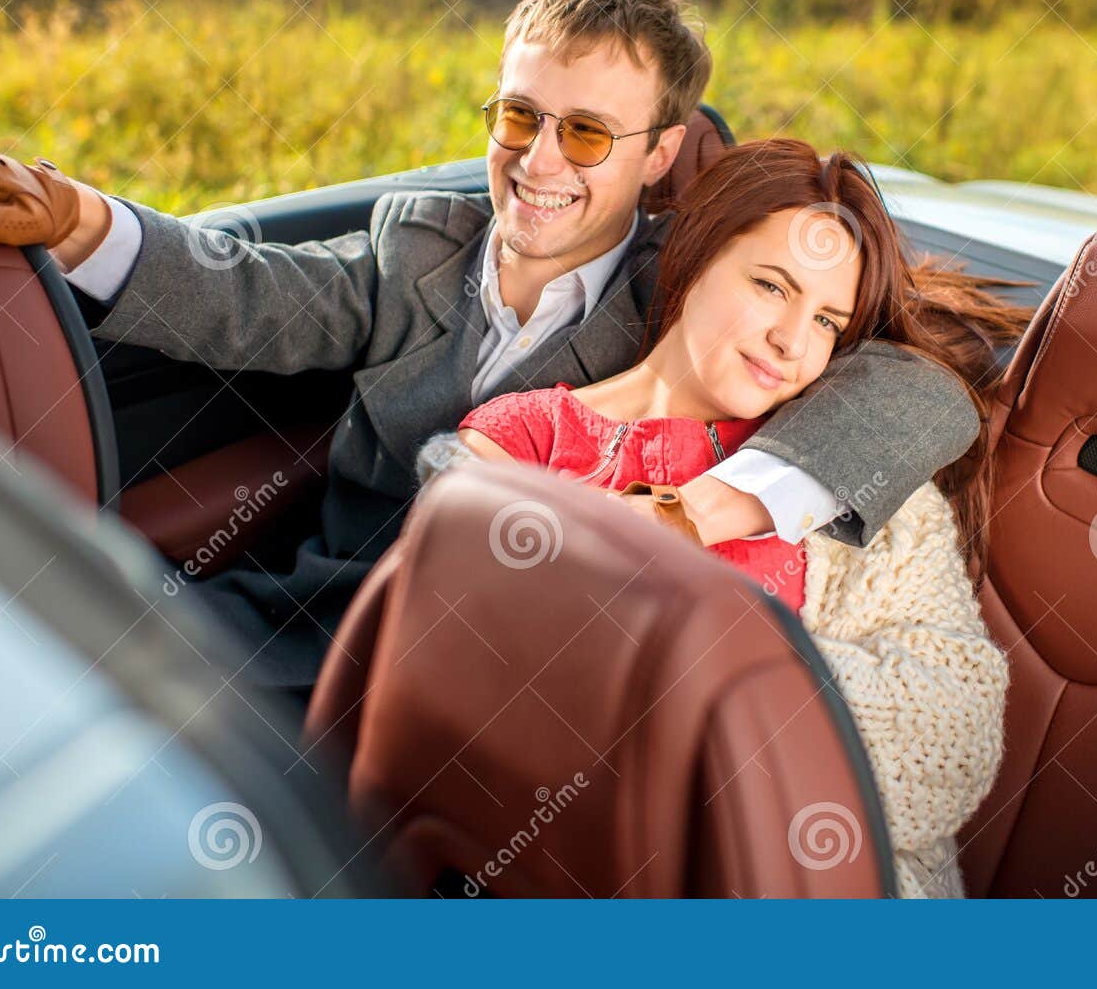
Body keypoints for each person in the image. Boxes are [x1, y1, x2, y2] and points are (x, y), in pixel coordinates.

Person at [0, 0, 979, 699]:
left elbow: (919, 388)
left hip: (487, 678)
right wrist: (74, 215)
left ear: (656, 158)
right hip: (303, 615)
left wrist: (716, 506)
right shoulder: (422, 250)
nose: (538, 163)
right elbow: (246, 292)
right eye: (519, 117)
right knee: (20, 674)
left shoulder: (688, 307)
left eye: (588, 135)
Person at [417, 137, 1031, 897]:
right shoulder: (523, 439)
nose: (792, 340)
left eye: (829, 322)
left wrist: (696, 679)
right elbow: (472, 683)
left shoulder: (851, 468)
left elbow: (952, 736)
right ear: (695, 258)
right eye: (772, 286)